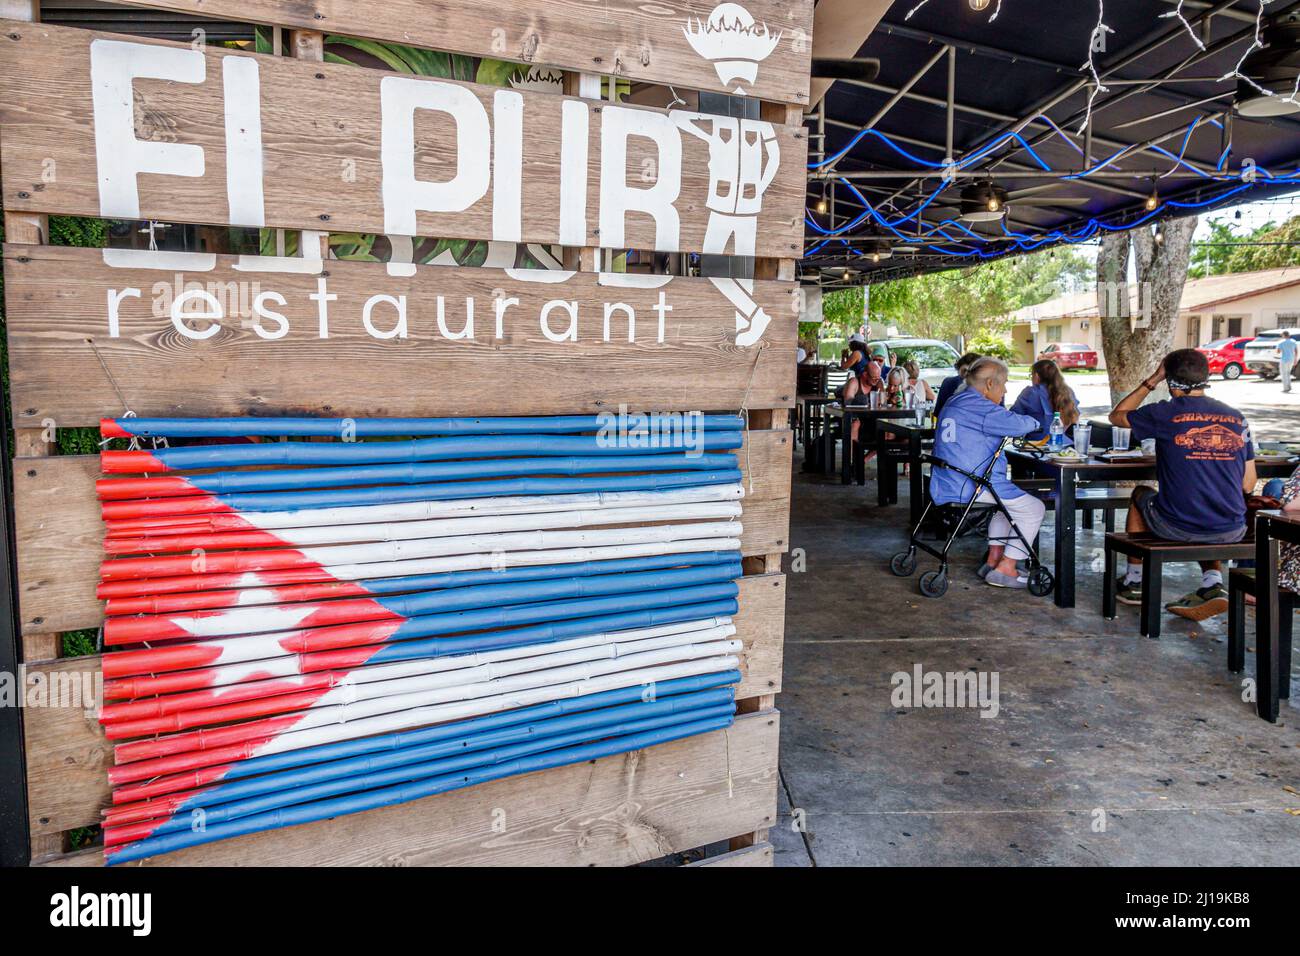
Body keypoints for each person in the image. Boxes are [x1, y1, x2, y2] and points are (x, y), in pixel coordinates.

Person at [1109, 349, 1257, 620]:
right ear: (1206, 376)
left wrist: (1152, 379)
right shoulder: (1237, 418)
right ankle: (1212, 582)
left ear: (1170, 380)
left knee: (1141, 494)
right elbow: (1249, 484)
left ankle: (1134, 582)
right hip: (1231, 529)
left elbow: (1118, 416)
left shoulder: (1165, 412)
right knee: (1207, 501)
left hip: (1178, 527)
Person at [931, 358, 1045, 589]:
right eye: (1003, 384)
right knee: (1034, 508)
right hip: (970, 485)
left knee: (1007, 508)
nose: (1005, 390)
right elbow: (1018, 425)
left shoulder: (956, 400)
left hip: (946, 482)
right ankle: (1007, 568)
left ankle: (994, 559)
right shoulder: (980, 407)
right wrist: (1038, 423)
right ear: (990, 384)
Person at [1010, 359, 1080, 442]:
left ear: (1036, 376)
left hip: (1037, 445)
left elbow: (1013, 418)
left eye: (1031, 375)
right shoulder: (1068, 391)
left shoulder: (1030, 392)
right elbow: (1075, 418)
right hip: (1065, 443)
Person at [935, 352, 981, 417]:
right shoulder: (949, 383)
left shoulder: (986, 386)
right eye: (964, 371)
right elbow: (939, 412)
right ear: (958, 370)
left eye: (971, 372)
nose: (967, 375)